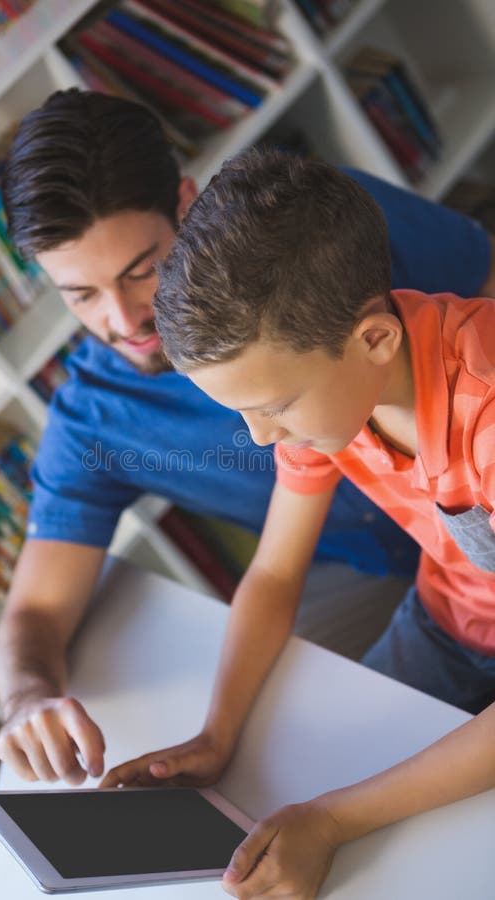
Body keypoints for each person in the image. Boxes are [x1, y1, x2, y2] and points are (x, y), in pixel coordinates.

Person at [0, 88, 495, 787]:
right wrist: (30, 700)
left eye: (143, 271)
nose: (126, 317)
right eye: (80, 295)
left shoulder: (312, 224)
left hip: (451, 528)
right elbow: (39, 609)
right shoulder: (100, 416)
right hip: (415, 581)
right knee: (290, 765)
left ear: (188, 207)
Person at [106, 149, 495, 900]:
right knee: (302, 802)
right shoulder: (334, 388)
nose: (257, 438)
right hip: (453, 620)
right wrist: (217, 733)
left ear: (374, 340)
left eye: (273, 407)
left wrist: (335, 819)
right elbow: (277, 571)